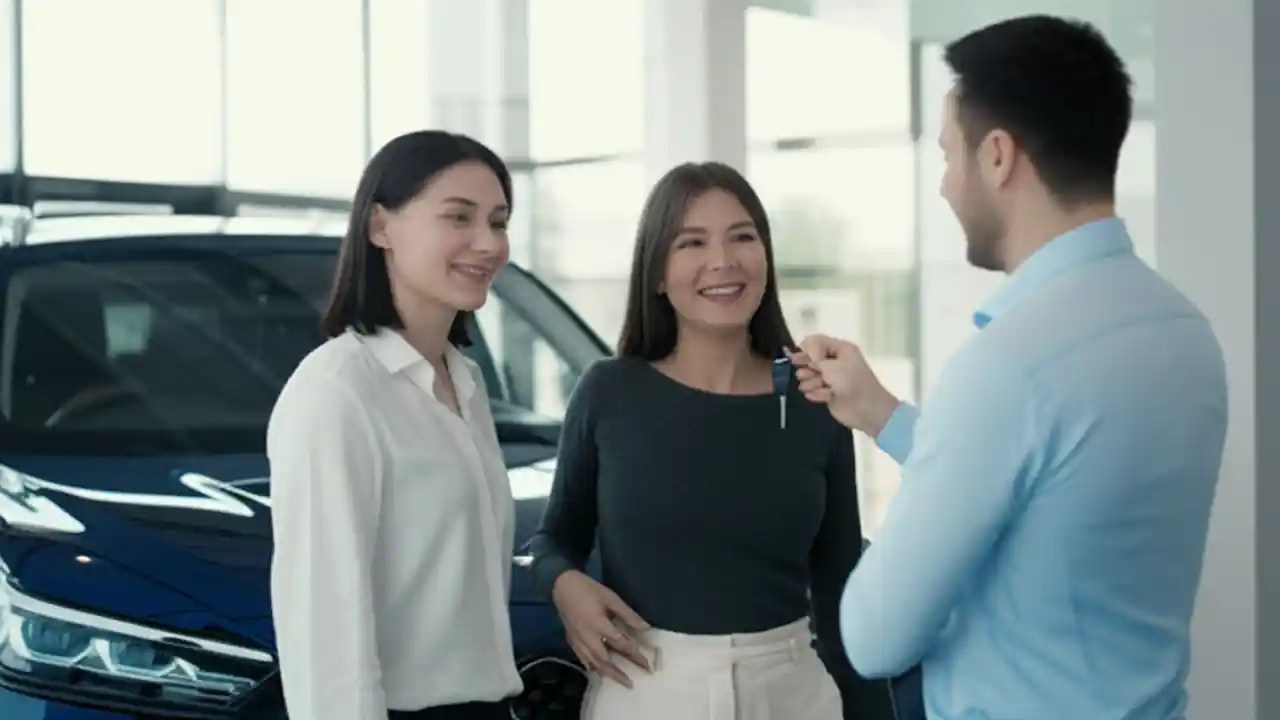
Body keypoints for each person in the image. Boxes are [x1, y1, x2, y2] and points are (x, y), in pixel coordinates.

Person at [794, 15, 1229, 720]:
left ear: (998, 156)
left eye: (947, 155)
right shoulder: (1183, 332)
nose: (943, 186)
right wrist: (883, 415)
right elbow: (1056, 479)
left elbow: (874, 637)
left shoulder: (1009, 364)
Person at [527, 162, 894, 719]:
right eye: (691, 243)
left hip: (795, 694)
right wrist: (563, 584)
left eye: (742, 237)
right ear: (656, 273)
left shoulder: (815, 397)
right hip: (647, 691)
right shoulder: (610, 392)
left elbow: (841, 589)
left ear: (765, 257)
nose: (722, 261)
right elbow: (555, 540)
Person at [268, 130, 523, 720]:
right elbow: (323, 627)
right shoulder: (336, 391)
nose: (487, 243)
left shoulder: (464, 381)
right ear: (381, 226)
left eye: (499, 221)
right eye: (458, 217)